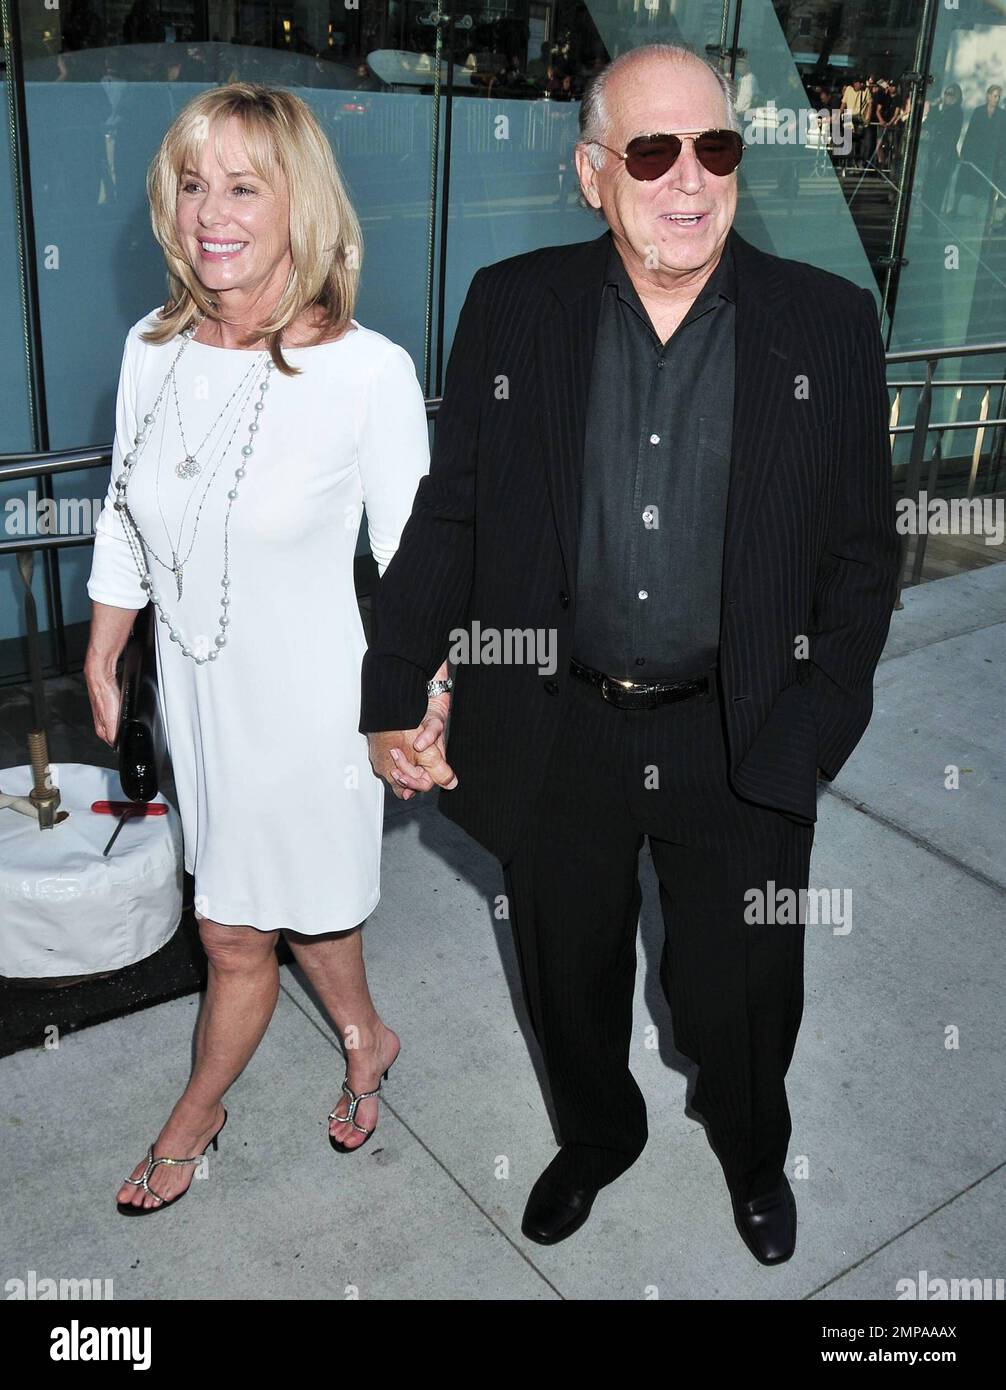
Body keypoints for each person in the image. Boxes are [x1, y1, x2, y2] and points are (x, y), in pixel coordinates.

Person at [358, 43, 900, 1263]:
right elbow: (453, 514)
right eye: (652, 152)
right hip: (561, 730)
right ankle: (599, 1135)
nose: (689, 179)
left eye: (715, 148)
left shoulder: (824, 325)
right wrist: (394, 686)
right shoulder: (514, 304)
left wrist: (807, 734)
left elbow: (865, 558)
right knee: (568, 979)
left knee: (744, 991)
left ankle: (752, 1151)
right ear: (593, 174)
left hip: (740, 730)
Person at [85, 83, 433, 1212]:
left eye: (243, 185)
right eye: (192, 184)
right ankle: (366, 1033)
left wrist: (420, 706)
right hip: (198, 694)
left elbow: (423, 566)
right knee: (310, 905)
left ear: (302, 208)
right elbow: (126, 509)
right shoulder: (153, 347)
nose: (209, 212)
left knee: (234, 929)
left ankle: (196, 1116)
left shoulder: (366, 374)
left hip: (315, 708)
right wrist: (106, 646)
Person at [953, 85, 1005, 217]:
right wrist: (964, 151)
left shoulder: (1002, 115)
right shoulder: (978, 111)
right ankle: (954, 208)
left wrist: (1001, 157)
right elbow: (970, 133)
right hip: (975, 152)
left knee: (984, 183)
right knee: (964, 179)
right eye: (994, 95)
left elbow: (1002, 138)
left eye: (998, 96)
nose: (996, 99)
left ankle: (977, 212)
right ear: (988, 96)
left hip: (990, 154)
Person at [921, 83, 963, 223]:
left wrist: (936, 110)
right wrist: (933, 107)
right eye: (946, 93)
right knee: (927, 191)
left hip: (944, 157)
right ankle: (927, 223)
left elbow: (947, 132)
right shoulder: (943, 111)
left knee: (936, 193)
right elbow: (928, 123)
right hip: (935, 154)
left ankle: (931, 225)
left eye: (951, 94)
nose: (947, 97)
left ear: (957, 97)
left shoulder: (956, 112)